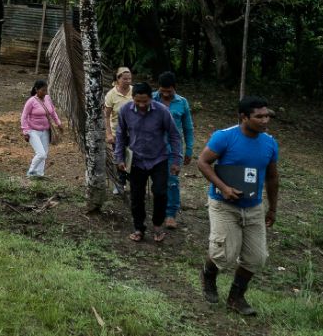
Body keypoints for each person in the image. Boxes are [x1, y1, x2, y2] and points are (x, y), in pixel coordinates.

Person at [197, 95, 281, 318]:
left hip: (253, 207)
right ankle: (208, 275)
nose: (265, 121)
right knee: (224, 254)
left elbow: (272, 177)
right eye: (259, 116)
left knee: (257, 258)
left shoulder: (270, 143)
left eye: (267, 116)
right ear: (244, 117)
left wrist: (272, 208)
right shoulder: (224, 137)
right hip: (224, 204)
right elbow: (203, 162)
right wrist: (224, 188)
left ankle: (236, 297)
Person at [113, 82, 182, 243]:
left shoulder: (162, 111)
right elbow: (121, 134)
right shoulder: (125, 111)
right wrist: (119, 158)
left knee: (160, 193)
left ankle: (158, 225)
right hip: (136, 160)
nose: (142, 105)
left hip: (159, 159)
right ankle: (139, 228)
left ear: (151, 98)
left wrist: (176, 160)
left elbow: (174, 135)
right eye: (138, 101)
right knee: (137, 196)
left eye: (145, 101)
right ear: (133, 98)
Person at [157, 71, 195, 228]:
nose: (165, 94)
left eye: (169, 91)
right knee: (157, 181)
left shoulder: (182, 102)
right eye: (162, 90)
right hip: (153, 147)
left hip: (173, 148)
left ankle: (171, 214)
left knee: (172, 180)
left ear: (174, 88)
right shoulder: (151, 98)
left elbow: (188, 128)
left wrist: (189, 149)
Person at [20, 79, 63, 178]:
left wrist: (58, 123)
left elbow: (53, 112)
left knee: (45, 154)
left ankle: (39, 174)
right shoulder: (31, 101)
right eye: (42, 90)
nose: (45, 93)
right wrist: (25, 131)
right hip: (33, 131)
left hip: (45, 131)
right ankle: (31, 173)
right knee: (41, 154)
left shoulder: (47, 98)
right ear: (36, 89)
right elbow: (24, 116)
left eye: (45, 90)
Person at [101, 66, 134, 193]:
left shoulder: (134, 91)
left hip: (134, 132)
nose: (128, 81)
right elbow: (107, 116)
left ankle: (133, 181)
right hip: (117, 132)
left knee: (132, 157)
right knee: (119, 157)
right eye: (125, 79)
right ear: (118, 79)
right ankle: (120, 183)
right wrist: (109, 134)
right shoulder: (111, 94)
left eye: (130, 78)